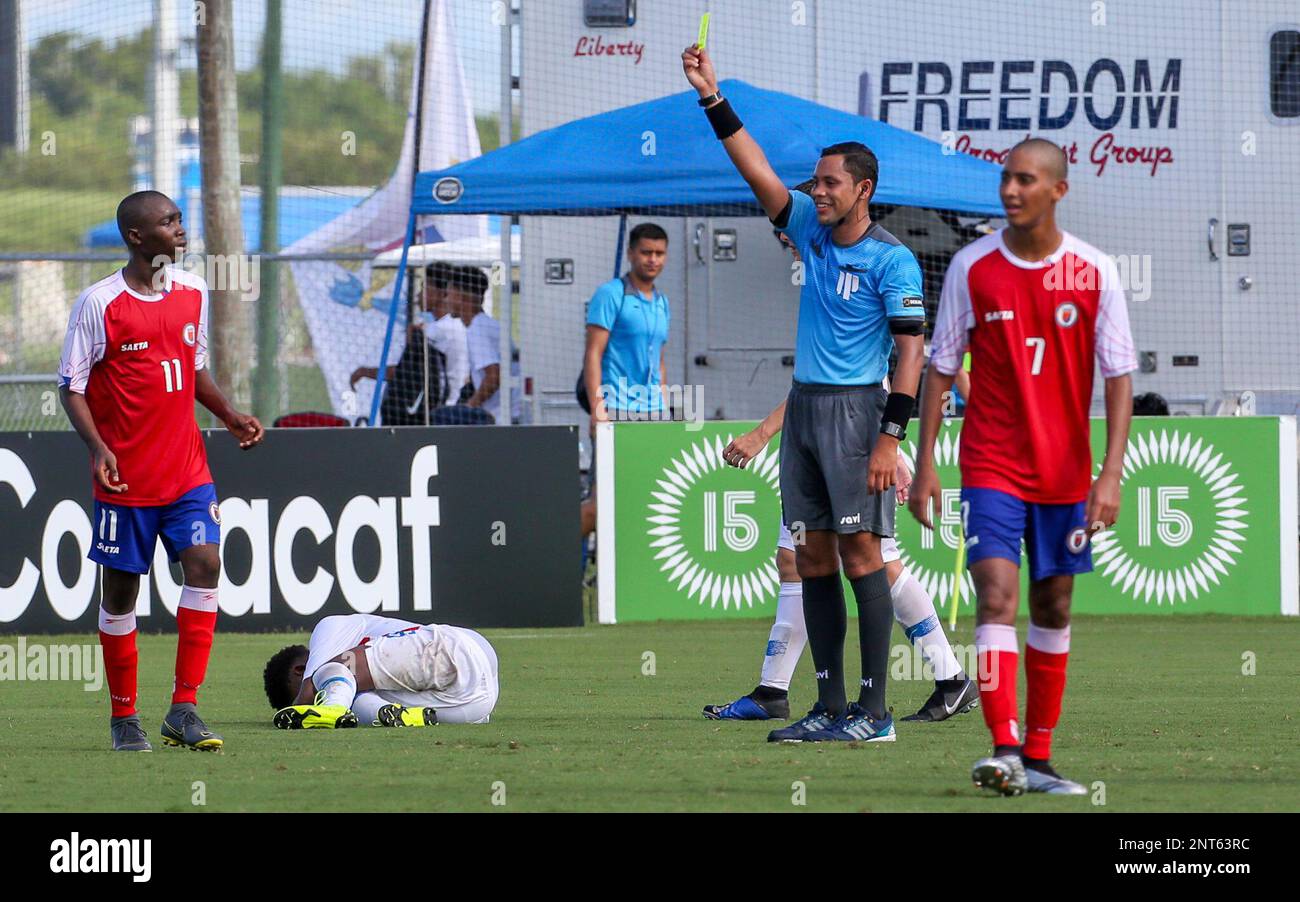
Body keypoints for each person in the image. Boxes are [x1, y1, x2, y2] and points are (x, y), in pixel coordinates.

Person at [683, 43, 926, 744]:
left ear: (862, 190)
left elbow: (910, 349)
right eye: (814, 183)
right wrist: (711, 96)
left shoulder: (890, 257)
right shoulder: (808, 235)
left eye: (829, 184)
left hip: (856, 416)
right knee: (812, 558)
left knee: (862, 557)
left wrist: (891, 437)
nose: (815, 192)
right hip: (807, 409)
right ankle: (829, 707)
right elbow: (752, 167)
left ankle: (876, 715)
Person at [910, 138, 1136, 795]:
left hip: (1064, 472)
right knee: (998, 596)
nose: (1010, 190)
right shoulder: (973, 267)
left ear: (1058, 191)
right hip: (991, 464)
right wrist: (925, 463)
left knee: (1054, 604)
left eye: (1025, 180)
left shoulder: (1094, 271)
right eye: (1006, 179)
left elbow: (1120, 376)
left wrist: (1111, 473)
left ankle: (1038, 757)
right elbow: (942, 367)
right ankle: (1004, 748)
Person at [57, 190, 265, 752]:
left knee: (205, 563)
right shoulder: (100, 304)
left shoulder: (193, 291)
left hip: (186, 474)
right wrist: (99, 449)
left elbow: (192, 368)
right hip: (126, 480)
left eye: (178, 219)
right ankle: (125, 717)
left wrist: (228, 413)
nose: (179, 229)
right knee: (122, 592)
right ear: (135, 236)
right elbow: (71, 387)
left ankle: (184, 707)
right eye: (167, 222)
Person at [704, 397, 976, 722]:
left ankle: (949, 679)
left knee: (878, 563)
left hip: (851, 447)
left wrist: (890, 446)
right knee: (794, 560)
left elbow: (858, 381)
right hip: (823, 443)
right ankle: (771, 691)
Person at [579, 222, 672, 535]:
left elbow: (658, 359)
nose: (652, 259)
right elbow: (593, 354)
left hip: (654, 414)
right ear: (631, 253)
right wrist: (598, 409)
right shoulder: (610, 294)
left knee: (648, 500)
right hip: (615, 409)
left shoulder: (662, 302)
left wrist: (665, 407)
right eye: (646, 252)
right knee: (599, 502)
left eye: (659, 253)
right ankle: (561, 573)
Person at [262, 614, 499, 728]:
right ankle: (397, 716)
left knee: (333, 670)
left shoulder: (328, 627)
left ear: (299, 670)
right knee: (356, 698)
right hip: (476, 705)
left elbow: (307, 691)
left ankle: (331, 708)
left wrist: (296, 712)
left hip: (451, 648)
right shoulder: (354, 685)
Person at [349, 261, 468, 423]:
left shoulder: (436, 332)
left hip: (438, 412)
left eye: (424, 288)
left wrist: (365, 372)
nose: (418, 295)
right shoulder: (452, 326)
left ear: (441, 293)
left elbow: (405, 374)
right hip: (450, 409)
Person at [456, 265, 521, 424]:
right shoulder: (488, 324)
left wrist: (470, 406)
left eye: (448, 294)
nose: (446, 300)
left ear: (463, 296)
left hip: (501, 418)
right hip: (511, 414)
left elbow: (494, 376)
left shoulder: (477, 328)